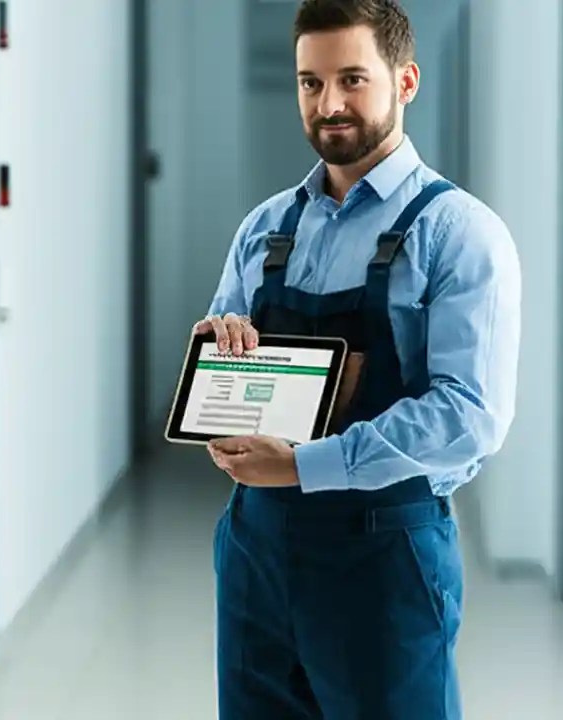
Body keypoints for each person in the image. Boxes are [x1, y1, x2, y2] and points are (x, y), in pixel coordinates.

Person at [193, 1, 521, 717]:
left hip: (384, 557)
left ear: (405, 81)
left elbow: (468, 417)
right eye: (310, 83)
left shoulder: (458, 233)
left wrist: (306, 467)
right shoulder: (266, 228)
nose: (329, 104)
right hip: (257, 550)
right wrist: (214, 376)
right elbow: (226, 374)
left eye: (352, 79)